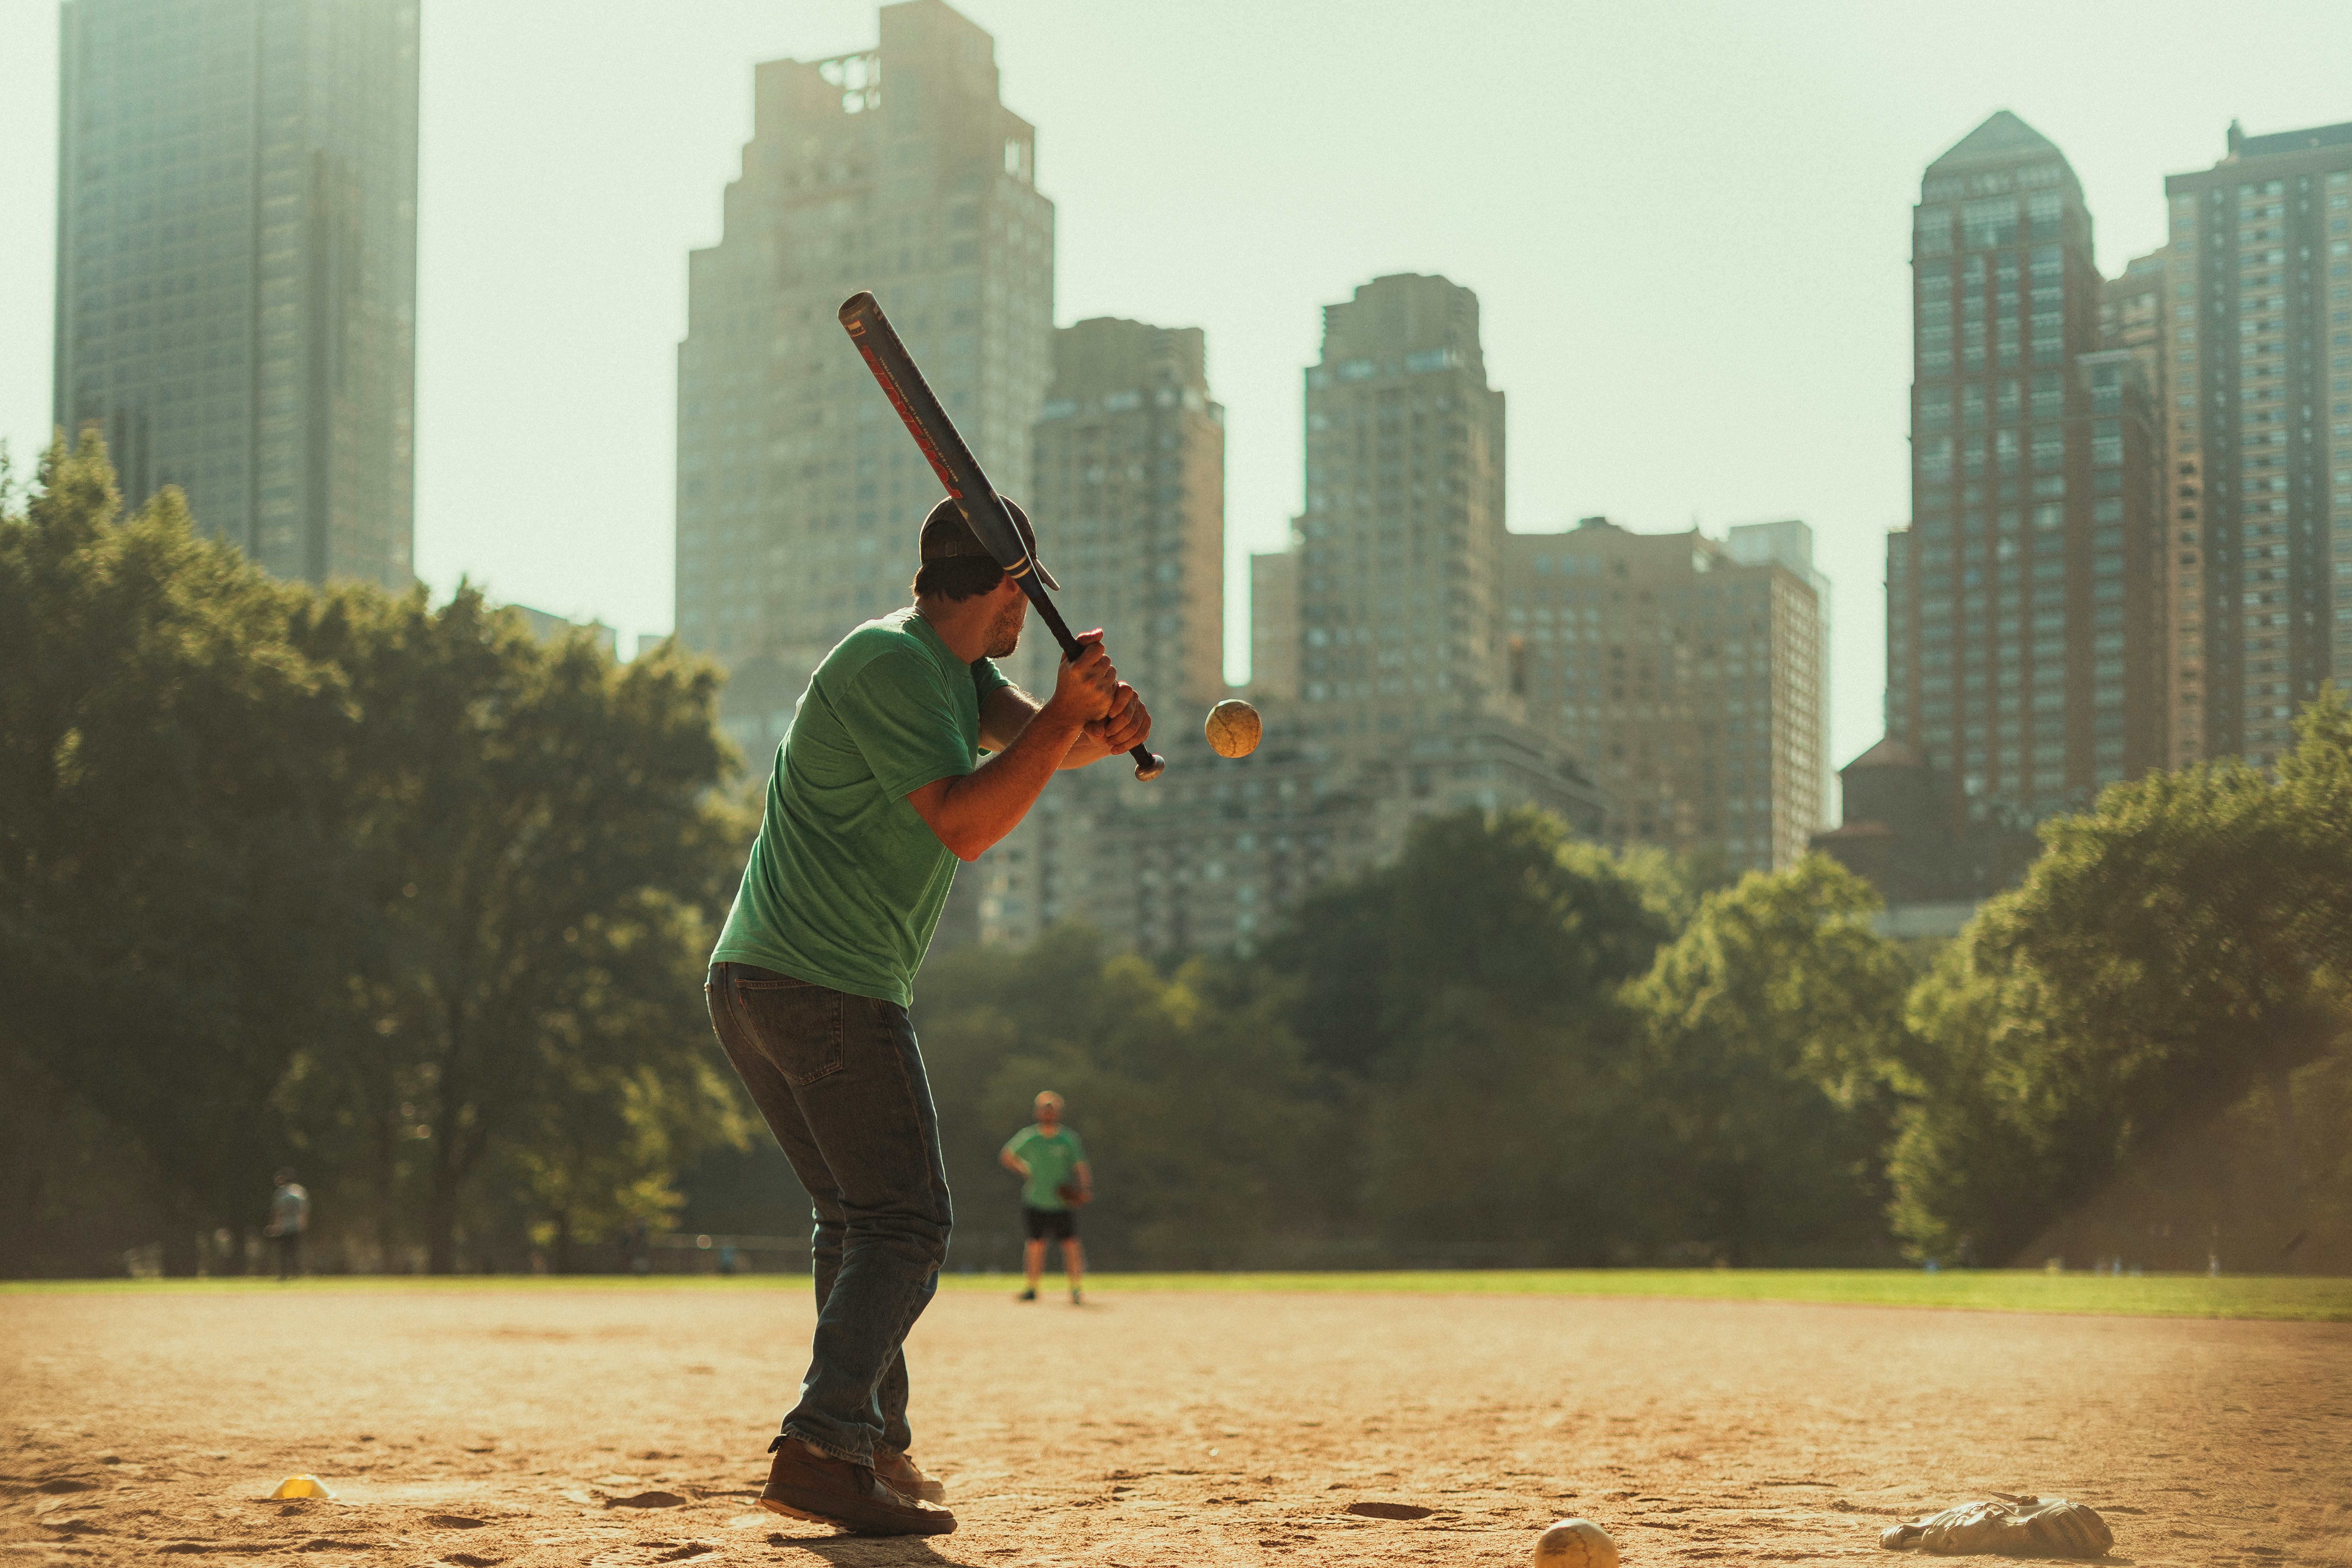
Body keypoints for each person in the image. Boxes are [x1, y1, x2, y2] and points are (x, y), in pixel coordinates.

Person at [705, 497, 1151, 1537]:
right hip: (821, 983)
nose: (1025, 615)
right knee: (908, 1222)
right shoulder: (894, 664)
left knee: (859, 1221)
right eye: (1025, 592)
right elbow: (966, 824)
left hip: (768, 978)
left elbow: (1028, 751)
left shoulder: (952, 676)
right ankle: (821, 1445)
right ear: (1005, 586)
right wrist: (1062, 720)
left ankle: (873, 1449)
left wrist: (1098, 726)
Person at [1000, 1091, 1091, 1305]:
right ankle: (1032, 1288)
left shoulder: (1067, 1139)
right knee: (1035, 1245)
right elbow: (1007, 1155)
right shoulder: (1030, 1137)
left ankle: (1076, 1290)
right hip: (1035, 1200)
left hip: (1061, 1202)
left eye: (1052, 1109)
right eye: (1044, 1108)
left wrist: (1084, 1188)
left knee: (1071, 1245)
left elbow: (1081, 1167)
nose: (1048, 1112)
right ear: (1037, 1112)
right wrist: (1025, 1170)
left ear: (1058, 1112)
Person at [265, 1169, 309, 1281]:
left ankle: (284, 1275)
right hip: (296, 1226)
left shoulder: (281, 1194)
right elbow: (304, 1211)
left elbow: (278, 1212)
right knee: (296, 1251)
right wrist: (303, 1224)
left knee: (284, 1252)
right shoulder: (299, 1192)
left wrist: (276, 1226)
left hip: (284, 1227)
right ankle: (297, 1274)